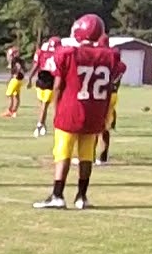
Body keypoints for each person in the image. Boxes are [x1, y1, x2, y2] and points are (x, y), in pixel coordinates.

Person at [34, 15, 119, 210]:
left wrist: (56, 107)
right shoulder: (109, 55)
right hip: (95, 109)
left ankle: (58, 195)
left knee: (63, 151)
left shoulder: (69, 53)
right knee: (87, 154)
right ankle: (82, 197)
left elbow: (57, 84)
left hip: (71, 108)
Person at [98, 34, 127, 166]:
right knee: (106, 128)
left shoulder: (103, 60)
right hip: (114, 95)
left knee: (94, 126)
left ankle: (89, 157)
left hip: (102, 95)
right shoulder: (121, 65)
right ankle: (104, 155)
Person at [27, 36, 60, 137]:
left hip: (45, 80)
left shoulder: (41, 52)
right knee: (42, 105)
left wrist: (30, 78)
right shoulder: (56, 54)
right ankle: (43, 124)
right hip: (46, 80)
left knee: (44, 106)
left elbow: (36, 66)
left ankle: (39, 125)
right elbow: (37, 65)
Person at [2, 46, 26, 118]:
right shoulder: (21, 60)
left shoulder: (14, 60)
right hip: (20, 80)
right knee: (17, 96)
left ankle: (9, 111)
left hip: (15, 79)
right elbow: (25, 69)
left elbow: (14, 68)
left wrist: (13, 76)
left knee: (9, 95)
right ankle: (14, 112)